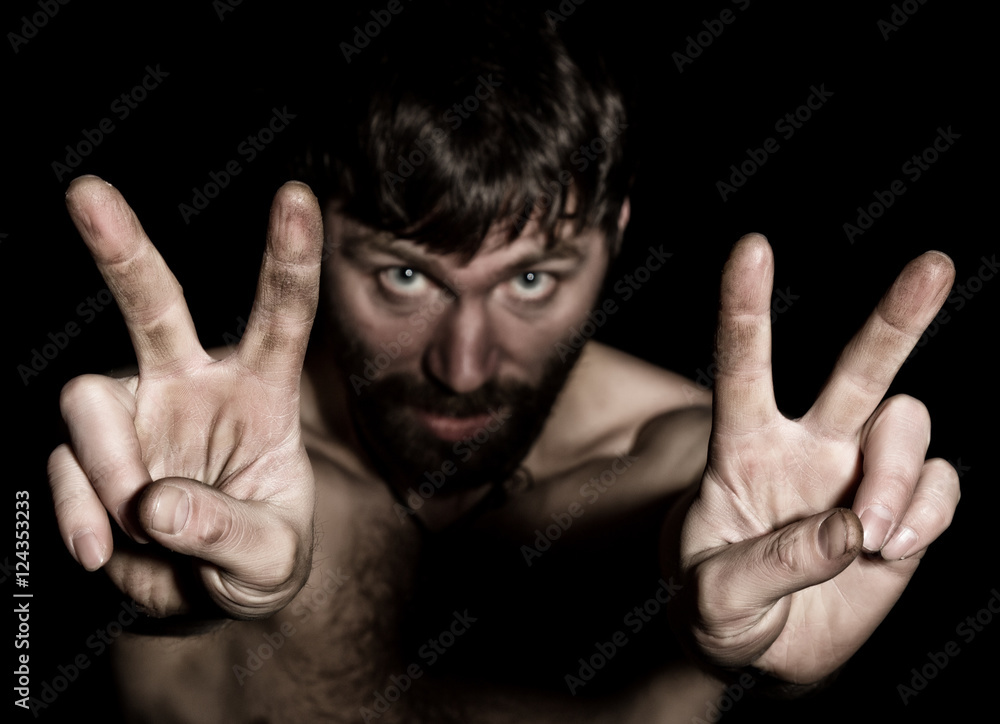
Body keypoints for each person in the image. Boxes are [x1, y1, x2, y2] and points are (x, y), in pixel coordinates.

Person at [46, 2, 960, 722]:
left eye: (531, 278)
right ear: (319, 233)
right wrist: (91, 572)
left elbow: (730, 576)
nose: (464, 361)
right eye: (405, 275)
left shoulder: (702, 474)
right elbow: (22, 668)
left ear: (616, 237)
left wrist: (775, 653)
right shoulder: (150, 453)